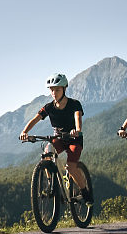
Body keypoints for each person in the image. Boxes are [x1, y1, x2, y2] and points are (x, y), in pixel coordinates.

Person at [20, 73, 90, 201]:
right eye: (52, 90)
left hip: (74, 139)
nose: (54, 92)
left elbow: (78, 118)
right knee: (47, 154)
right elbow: (35, 119)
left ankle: (85, 191)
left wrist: (77, 130)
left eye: (57, 89)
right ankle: (51, 182)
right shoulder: (49, 107)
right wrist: (24, 132)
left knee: (71, 166)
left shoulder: (74, 104)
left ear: (64, 89)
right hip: (58, 139)